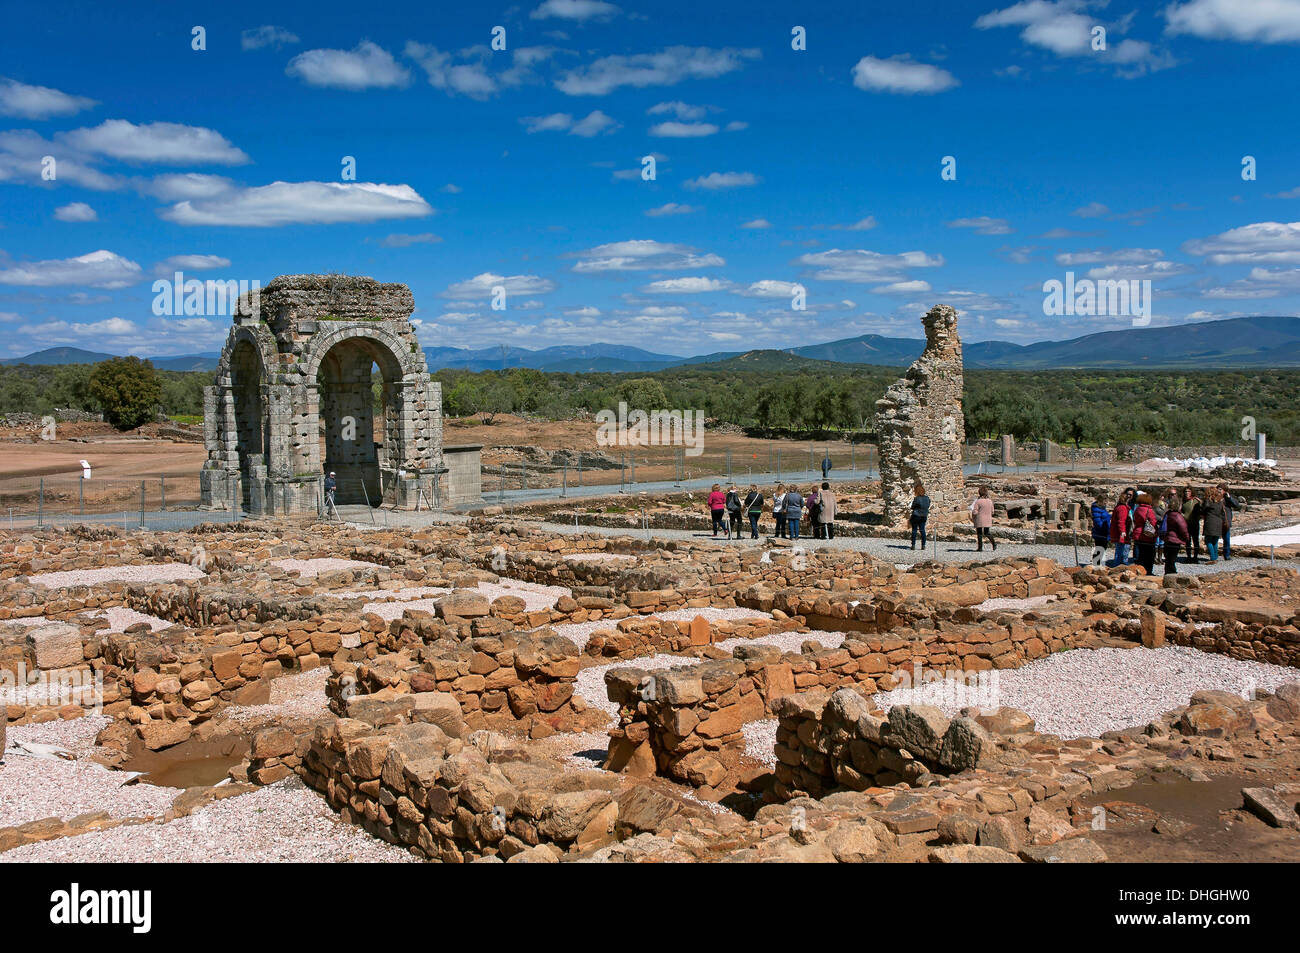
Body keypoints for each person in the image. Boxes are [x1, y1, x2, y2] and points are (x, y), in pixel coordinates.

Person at [1130, 492, 1160, 575]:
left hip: (1138, 533)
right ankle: (1148, 571)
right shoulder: (1149, 510)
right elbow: (1153, 522)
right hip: (1148, 536)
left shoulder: (1137, 509)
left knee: (1141, 555)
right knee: (1149, 556)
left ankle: (1140, 571)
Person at [1161, 496, 1189, 574]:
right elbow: (1183, 528)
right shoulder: (1177, 516)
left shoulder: (1167, 514)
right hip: (1175, 539)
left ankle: (1168, 572)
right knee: (1172, 558)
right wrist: (1186, 538)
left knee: (1168, 558)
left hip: (1167, 538)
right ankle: (1172, 573)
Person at [1202, 487, 1228, 563]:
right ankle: (1215, 556)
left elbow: (1204, 509)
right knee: (1215, 541)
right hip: (1218, 523)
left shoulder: (1208, 500)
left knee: (1208, 541)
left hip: (1210, 522)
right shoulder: (1220, 501)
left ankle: (1213, 557)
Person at [1108, 489, 1132, 568]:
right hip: (1122, 534)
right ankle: (1120, 568)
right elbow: (1121, 521)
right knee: (1122, 553)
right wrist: (1122, 531)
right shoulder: (1122, 508)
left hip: (1120, 533)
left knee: (1119, 551)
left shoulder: (1119, 507)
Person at [1219, 482, 1241, 561]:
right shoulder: (1215, 498)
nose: (1219, 491)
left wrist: (1229, 498)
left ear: (1225, 491)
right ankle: (1213, 555)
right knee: (1213, 539)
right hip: (1217, 521)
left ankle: (1226, 555)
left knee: (1226, 539)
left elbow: (1237, 505)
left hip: (1226, 522)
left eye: (1220, 489)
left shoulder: (1228, 499)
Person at [971, 486, 996, 552]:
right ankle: (994, 544)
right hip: (988, 519)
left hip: (979, 519)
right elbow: (992, 511)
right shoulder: (990, 501)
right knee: (987, 533)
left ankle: (980, 548)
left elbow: (975, 511)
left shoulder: (978, 502)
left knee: (979, 534)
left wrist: (972, 513)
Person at [1181, 486, 1202, 564]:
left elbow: (1202, 508)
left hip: (1195, 523)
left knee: (1195, 540)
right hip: (1186, 524)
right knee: (1187, 540)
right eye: (1186, 492)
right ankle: (1189, 556)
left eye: (1188, 491)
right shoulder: (1183, 501)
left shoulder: (1195, 501)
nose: (1187, 493)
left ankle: (1195, 557)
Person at [1089, 492, 1110, 565]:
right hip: (1100, 532)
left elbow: (1105, 517)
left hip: (1104, 532)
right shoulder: (1096, 509)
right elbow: (1098, 522)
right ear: (1100, 501)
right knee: (1099, 548)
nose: (1106, 503)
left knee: (1102, 548)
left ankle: (1097, 563)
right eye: (1104, 501)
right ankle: (1096, 565)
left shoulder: (1102, 508)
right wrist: (1105, 528)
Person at [910, 483, 930, 550]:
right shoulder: (927, 498)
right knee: (922, 530)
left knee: (914, 530)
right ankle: (923, 545)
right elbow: (928, 506)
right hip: (924, 515)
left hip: (916, 515)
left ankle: (913, 545)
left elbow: (912, 507)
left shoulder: (917, 498)